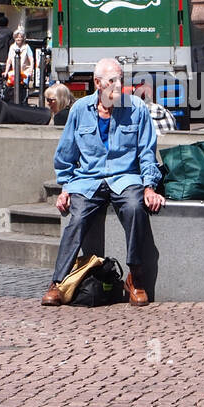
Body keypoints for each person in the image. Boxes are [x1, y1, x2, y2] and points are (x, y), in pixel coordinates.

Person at [41, 57, 165, 308]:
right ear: (98, 83)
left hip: (125, 178)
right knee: (76, 217)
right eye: (113, 81)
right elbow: (65, 155)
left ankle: (135, 278)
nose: (119, 86)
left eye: (121, 80)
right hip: (88, 180)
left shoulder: (137, 108)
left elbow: (147, 153)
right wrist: (65, 187)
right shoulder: (79, 110)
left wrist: (149, 186)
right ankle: (58, 282)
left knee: (134, 208)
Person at [3, 29, 35, 101]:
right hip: (15, 72)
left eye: (20, 37)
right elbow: (9, 60)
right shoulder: (12, 47)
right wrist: (6, 71)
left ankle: (23, 101)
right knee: (12, 87)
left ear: (23, 38)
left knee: (23, 88)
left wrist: (31, 70)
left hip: (25, 72)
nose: (18, 39)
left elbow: (31, 59)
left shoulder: (26, 47)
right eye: (17, 37)